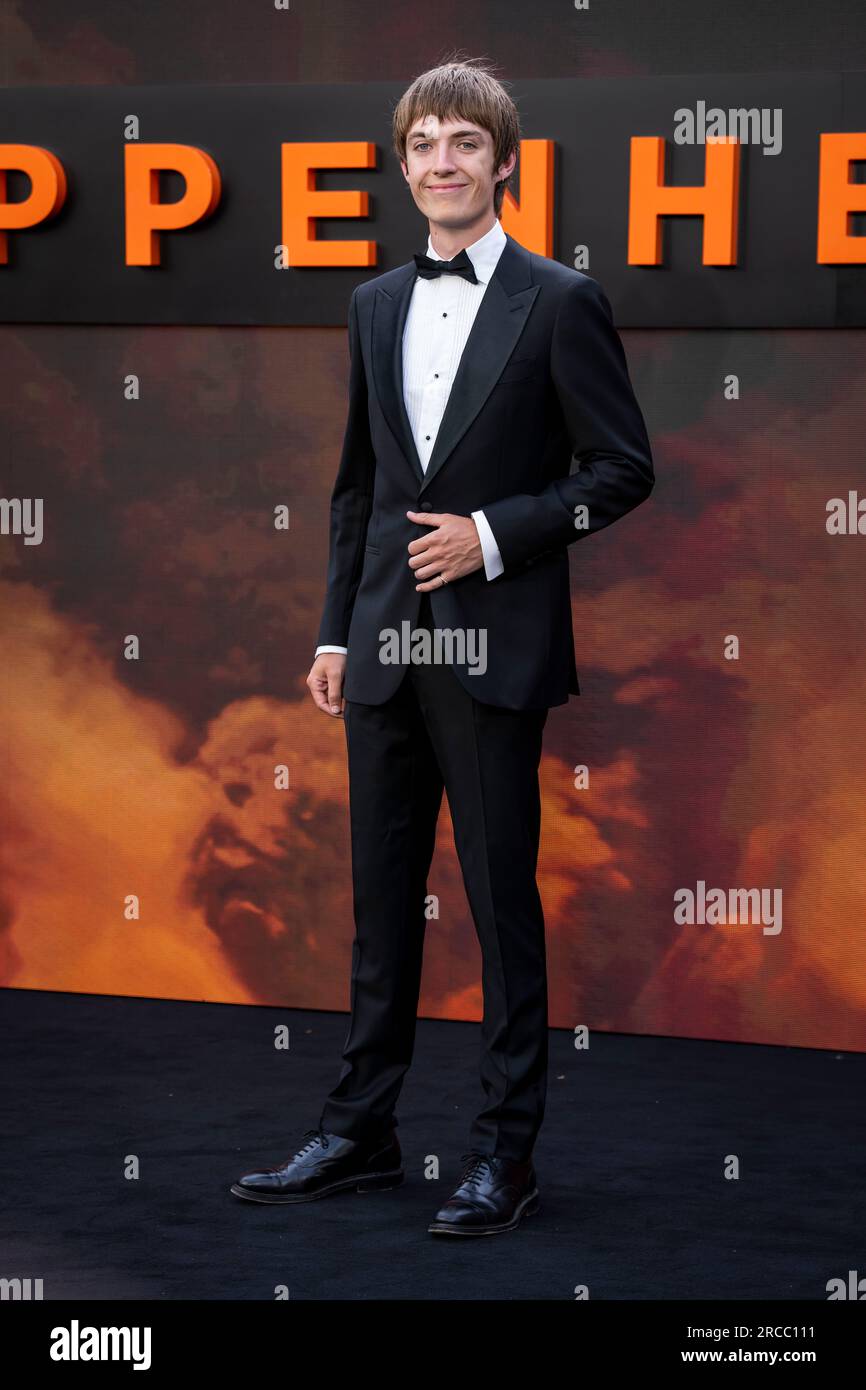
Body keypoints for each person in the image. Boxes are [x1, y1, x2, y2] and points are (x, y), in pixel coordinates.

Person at [231, 56, 654, 1236]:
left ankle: (501, 1155)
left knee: (496, 901)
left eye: (463, 143)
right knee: (377, 902)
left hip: (494, 644)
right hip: (378, 647)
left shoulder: (561, 300)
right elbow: (356, 490)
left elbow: (622, 470)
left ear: (503, 161)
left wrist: (491, 535)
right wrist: (332, 629)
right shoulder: (372, 302)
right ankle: (360, 1131)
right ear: (404, 163)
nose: (440, 163)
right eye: (421, 145)